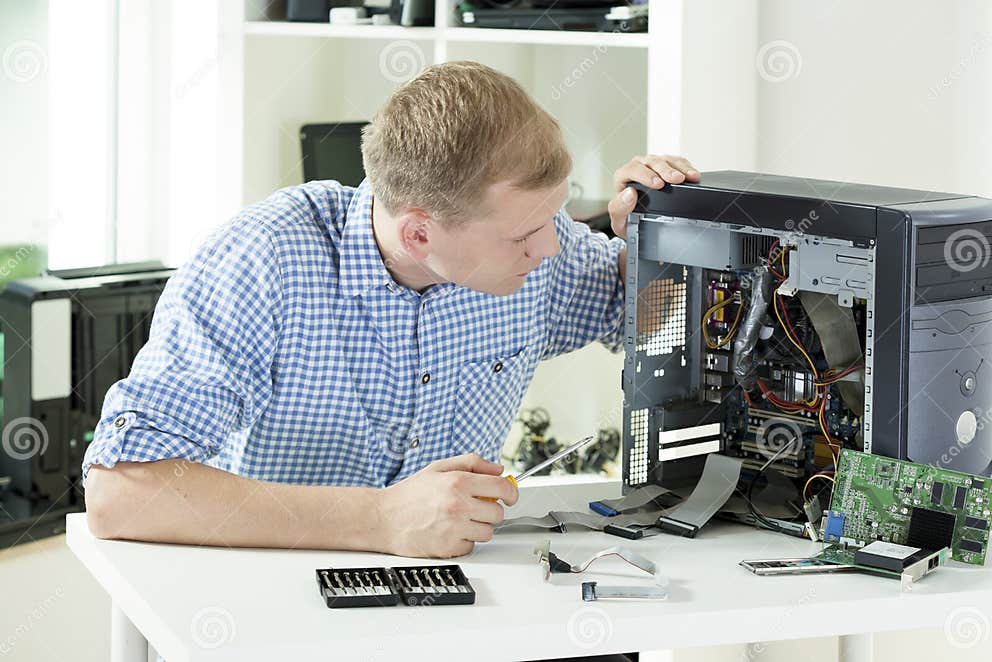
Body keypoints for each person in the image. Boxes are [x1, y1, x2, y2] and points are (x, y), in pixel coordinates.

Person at [82, 61, 699, 560]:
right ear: (419, 236)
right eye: (522, 235)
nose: (553, 246)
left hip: (455, 610)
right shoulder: (260, 261)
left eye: (554, 218)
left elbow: (665, 332)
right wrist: (379, 519)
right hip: (275, 612)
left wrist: (652, 241)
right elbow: (120, 494)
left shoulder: (542, 255)